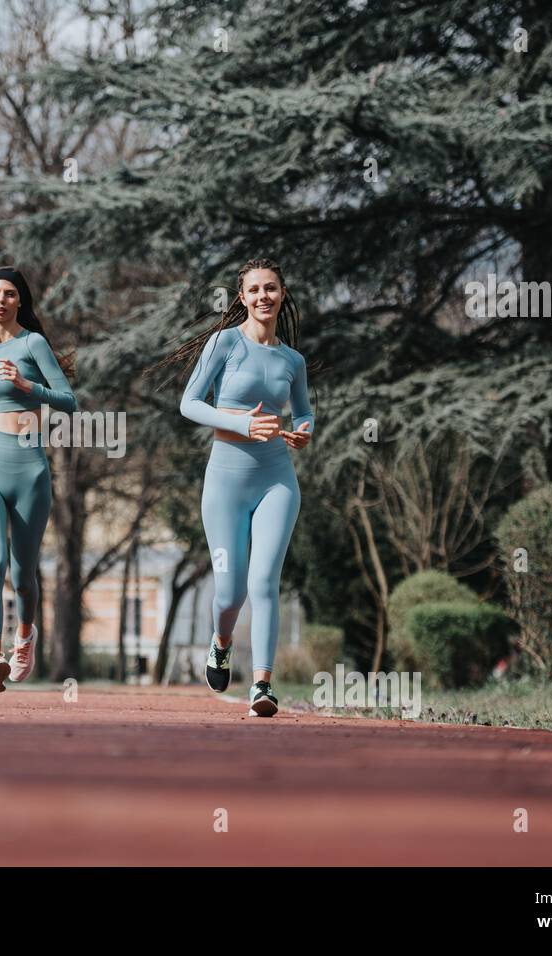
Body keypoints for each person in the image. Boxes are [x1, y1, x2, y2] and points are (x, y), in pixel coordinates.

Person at [162, 257, 315, 717]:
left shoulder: (292, 359)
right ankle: (221, 641)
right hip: (226, 482)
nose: (263, 297)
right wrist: (241, 423)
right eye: (254, 290)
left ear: (282, 294)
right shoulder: (224, 342)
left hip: (276, 480)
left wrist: (303, 429)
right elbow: (189, 404)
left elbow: (303, 410)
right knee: (230, 594)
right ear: (242, 297)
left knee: (265, 580)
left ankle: (263, 686)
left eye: (271, 288)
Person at [0, 267, 76, 693]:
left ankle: (25, 633)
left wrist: (27, 384)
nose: (1, 299)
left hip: (30, 467)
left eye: (9, 294)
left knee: (23, 573)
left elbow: (69, 402)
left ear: (19, 301)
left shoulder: (33, 344)